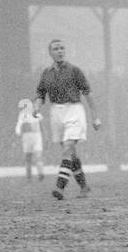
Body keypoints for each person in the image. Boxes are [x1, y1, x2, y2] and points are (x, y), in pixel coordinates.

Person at [34, 39, 100, 201]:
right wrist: (36, 107)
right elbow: (40, 95)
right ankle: (84, 186)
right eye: (56, 49)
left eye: (62, 48)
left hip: (74, 110)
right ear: (50, 53)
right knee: (71, 153)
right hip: (56, 112)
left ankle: (59, 186)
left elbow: (88, 93)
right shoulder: (46, 73)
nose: (60, 51)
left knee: (68, 147)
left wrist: (95, 116)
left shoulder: (74, 70)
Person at [15, 99, 45, 180]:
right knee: (28, 158)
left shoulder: (38, 115)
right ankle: (29, 176)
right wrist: (18, 133)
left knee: (38, 156)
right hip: (27, 137)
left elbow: (42, 127)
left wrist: (45, 137)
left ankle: (40, 174)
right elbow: (19, 124)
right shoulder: (23, 115)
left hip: (37, 137)